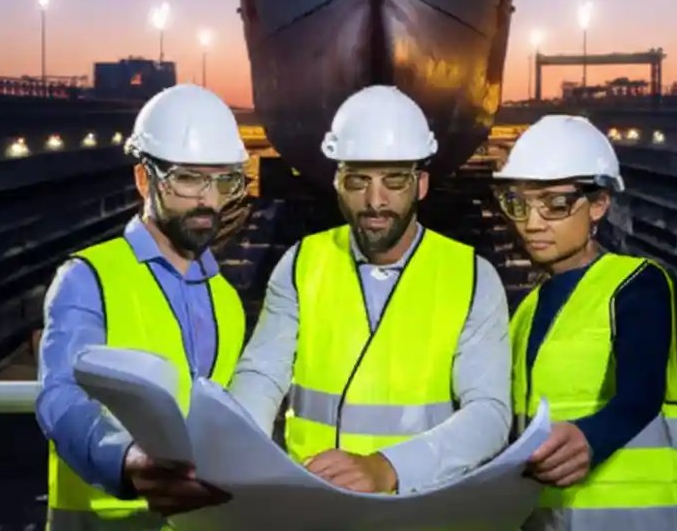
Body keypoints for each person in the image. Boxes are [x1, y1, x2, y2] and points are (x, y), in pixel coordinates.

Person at [228, 84, 512, 495]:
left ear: (421, 185)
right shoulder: (302, 262)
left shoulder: (471, 276)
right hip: (314, 504)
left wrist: (389, 468)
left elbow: (489, 414)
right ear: (338, 183)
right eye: (358, 180)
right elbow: (261, 375)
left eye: (394, 181)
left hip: (420, 506)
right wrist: (244, 456)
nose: (375, 202)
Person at [36, 84, 250, 530]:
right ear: (143, 179)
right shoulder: (88, 278)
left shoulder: (227, 300)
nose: (208, 200)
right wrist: (126, 459)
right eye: (188, 178)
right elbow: (59, 397)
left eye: (223, 180)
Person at [491, 115, 677, 530]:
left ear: (598, 203)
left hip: (641, 517)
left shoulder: (637, 284)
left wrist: (591, 438)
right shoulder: (526, 310)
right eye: (519, 203)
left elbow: (641, 394)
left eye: (555, 203)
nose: (531, 223)